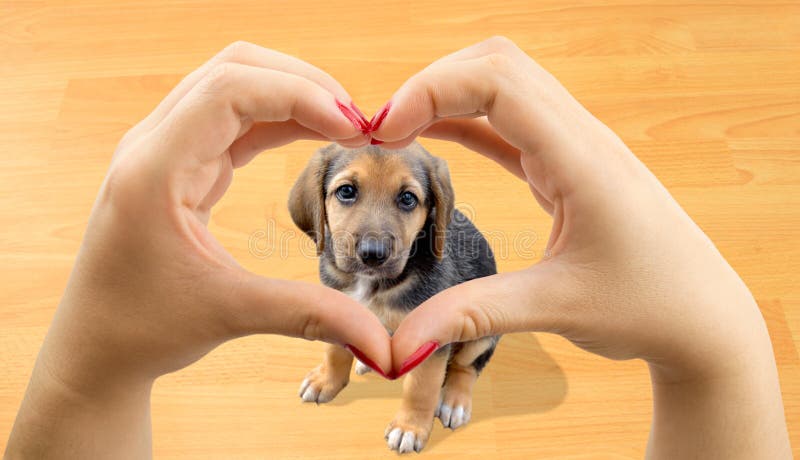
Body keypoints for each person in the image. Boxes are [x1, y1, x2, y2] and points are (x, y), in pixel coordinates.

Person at [4, 38, 790, 459]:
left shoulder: (436, 263)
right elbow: (337, 274)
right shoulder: (333, 254)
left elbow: (441, 327)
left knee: (458, 346)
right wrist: (334, 364)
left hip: (446, 333)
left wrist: (433, 394)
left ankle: (456, 386)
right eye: (348, 194)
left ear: (435, 213)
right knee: (340, 321)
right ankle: (337, 367)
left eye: (405, 201)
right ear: (317, 206)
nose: (374, 236)